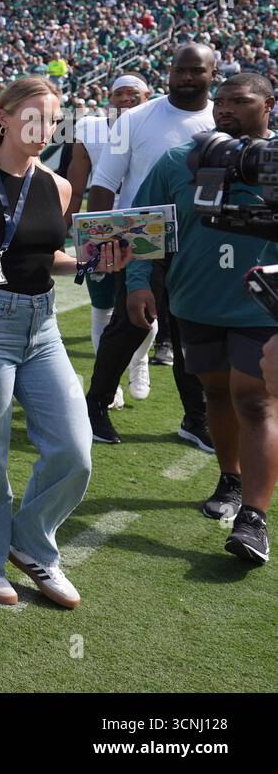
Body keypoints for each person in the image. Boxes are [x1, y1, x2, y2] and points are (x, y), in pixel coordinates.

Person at [0, 77, 131, 608]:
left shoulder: (59, 185)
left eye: (52, 120)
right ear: (3, 118)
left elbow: (44, 258)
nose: (45, 130)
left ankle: (29, 542)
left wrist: (92, 260)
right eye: (34, 118)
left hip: (41, 327)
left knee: (74, 447)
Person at [124, 73, 278, 562]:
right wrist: (137, 282)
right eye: (222, 100)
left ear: (268, 104)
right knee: (214, 391)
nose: (226, 108)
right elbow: (144, 224)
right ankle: (229, 478)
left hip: (262, 304)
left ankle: (254, 518)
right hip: (193, 300)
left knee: (255, 401)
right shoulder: (177, 160)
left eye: (240, 100)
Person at [85, 45, 216, 448]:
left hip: (198, 245)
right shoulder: (137, 118)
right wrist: (103, 245)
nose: (188, 77)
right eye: (181, 69)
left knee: (190, 334)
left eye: (197, 70)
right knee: (127, 327)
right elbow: (104, 183)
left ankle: (196, 418)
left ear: (213, 73)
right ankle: (95, 408)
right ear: (169, 71)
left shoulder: (223, 118)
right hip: (141, 243)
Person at [65, 74, 153, 408]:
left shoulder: (158, 123)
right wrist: (65, 224)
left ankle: (139, 358)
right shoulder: (89, 128)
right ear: (108, 97)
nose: (126, 99)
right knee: (102, 306)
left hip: (146, 225)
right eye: (120, 94)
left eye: (134, 94)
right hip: (100, 225)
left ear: (148, 96)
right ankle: (110, 378)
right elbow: (76, 183)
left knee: (147, 307)